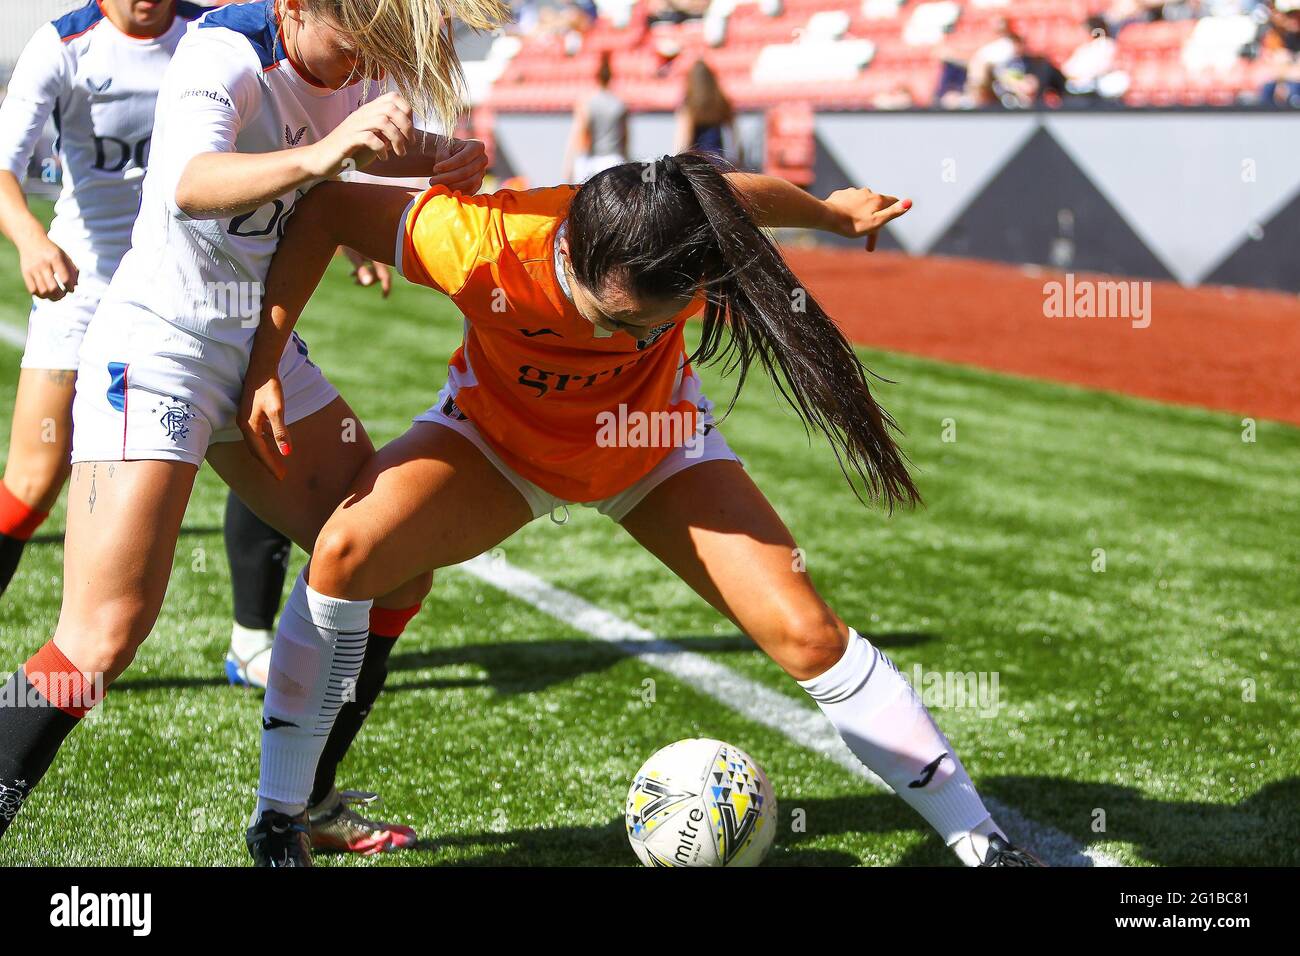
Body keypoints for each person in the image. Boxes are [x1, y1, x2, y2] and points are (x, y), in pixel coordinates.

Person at [236, 152, 1044, 867]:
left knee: (809, 634)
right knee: (345, 554)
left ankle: (984, 846)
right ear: (572, 257)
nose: (630, 340)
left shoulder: (682, 226)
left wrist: (832, 213)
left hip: (654, 446)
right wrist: (268, 358)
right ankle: (281, 817)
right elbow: (331, 208)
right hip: (496, 448)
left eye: (653, 324)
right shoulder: (482, 241)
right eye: (617, 319)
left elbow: (732, 193)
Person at [0, 0, 508, 856]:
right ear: (294, 8)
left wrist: (444, 157)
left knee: (390, 563)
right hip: (159, 350)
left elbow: (362, 141)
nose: (364, 66)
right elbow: (191, 182)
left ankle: (298, 807)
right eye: (354, 42)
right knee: (101, 636)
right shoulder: (228, 48)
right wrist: (322, 156)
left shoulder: (360, 60)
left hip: (259, 351)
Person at [563, 52, 627, 183]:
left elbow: (580, 135)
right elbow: (625, 137)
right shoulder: (619, 104)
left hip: (591, 161)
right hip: (614, 160)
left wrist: (569, 165)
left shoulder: (587, 103)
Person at [673, 60, 734, 159]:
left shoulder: (689, 104)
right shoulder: (721, 102)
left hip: (698, 163)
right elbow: (733, 135)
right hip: (719, 159)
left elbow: (684, 140)